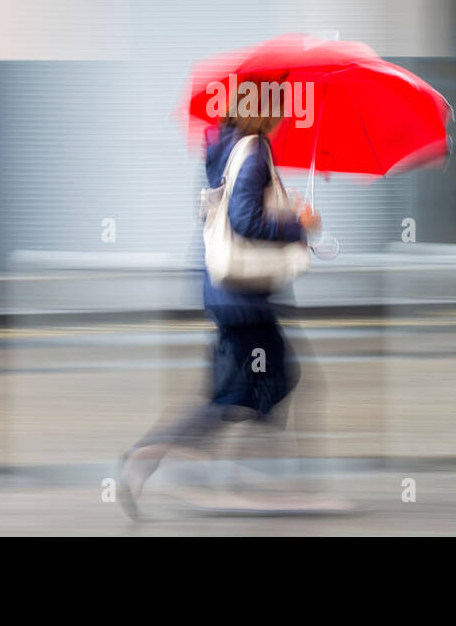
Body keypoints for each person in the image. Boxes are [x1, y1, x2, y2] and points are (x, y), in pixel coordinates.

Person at [117, 80, 320, 518]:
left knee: (254, 386)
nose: (286, 115)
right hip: (243, 297)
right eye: (281, 107)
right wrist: (297, 224)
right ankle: (156, 458)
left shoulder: (225, 146)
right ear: (264, 110)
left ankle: (219, 471)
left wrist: (285, 213)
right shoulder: (254, 151)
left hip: (228, 292)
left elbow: (234, 214)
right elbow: (246, 221)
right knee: (254, 388)